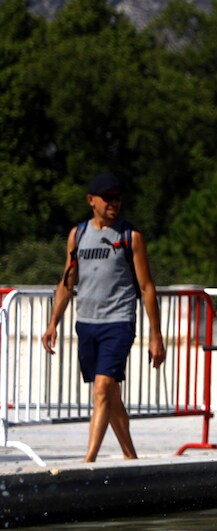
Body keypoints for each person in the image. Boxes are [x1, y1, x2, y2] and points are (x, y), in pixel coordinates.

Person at [41, 173, 166, 462]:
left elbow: (147, 287)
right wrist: (53, 323)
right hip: (87, 322)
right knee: (109, 394)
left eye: (117, 198)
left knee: (102, 388)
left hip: (119, 321)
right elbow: (67, 281)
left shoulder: (130, 236)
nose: (114, 203)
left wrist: (156, 336)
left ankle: (89, 462)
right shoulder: (79, 234)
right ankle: (130, 457)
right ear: (91, 201)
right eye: (108, 198)